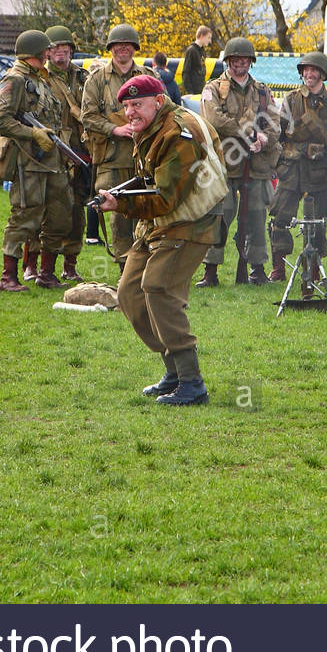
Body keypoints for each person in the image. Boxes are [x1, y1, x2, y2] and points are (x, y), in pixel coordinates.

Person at [97, 74, 228, 405]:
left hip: (191, 223)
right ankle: (173, 373)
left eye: (137, 105)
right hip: (161, 223)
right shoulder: (154, 126)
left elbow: (166, 198)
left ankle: (192, 383)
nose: (130, 113)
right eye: (126, 106)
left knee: (158, 289)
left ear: (158, 101)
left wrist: (120, 204)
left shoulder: (177, 134)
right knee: (129, 293)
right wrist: (120, 195)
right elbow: (150, 182)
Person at [0, 30, 72, 291]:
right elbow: (0, 120)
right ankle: (9, 276)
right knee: (25, 216)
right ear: (36, 53)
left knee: (60, 214)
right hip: (28, 160)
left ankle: (46, 273)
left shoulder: (40, 79)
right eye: (47, 50)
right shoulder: (14, 80)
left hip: (51, 160)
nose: (50, 54)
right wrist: (33, 133)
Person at [199, 36, 281, 286]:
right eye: (235, 60)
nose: (240, 64)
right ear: (228, 62)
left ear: (251, 62)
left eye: (244, 60)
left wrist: (264, 139)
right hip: (224, 162)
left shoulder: (263, 92)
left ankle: (257, 269)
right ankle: (210, 271)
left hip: (255, 165)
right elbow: (214, 119)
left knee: (256, 217)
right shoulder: (213, 88)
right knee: (220, 215)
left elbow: (275, 123)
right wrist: (248, 133)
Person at [267, 51, 327, 283]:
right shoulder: (291, 99)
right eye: (305, 70)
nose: (309, 75)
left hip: (321, 169)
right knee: (280, 216)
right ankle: (279, 267)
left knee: (319, 221)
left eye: (313, 70)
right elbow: (279, 132)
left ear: (322, 73)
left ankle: (314, 269)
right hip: (292, 169)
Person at [82, 23, 141, 264]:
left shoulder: (148, 76)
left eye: (127, 45)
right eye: (118, 45)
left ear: (134, 48)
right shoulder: (97, 79)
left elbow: (164, 108)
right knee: (118, 218)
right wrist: (115, 129)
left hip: (143, 158)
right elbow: (88, 116)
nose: (123, 49)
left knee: (145, 213)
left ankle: (144, 272)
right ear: (111, 49)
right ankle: (124, 273)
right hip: (112, 159)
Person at [35, 25, 89, 283]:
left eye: (65, 48)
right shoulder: (40, 78)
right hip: (51, 151)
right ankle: (35, 264)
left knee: (77, 209)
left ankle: (70, 264)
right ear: (47, 52)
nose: (61, 53)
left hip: (80, 152)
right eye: (55, 48)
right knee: (45, 209)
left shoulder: (83, 77)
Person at [180, 25, 212, 96]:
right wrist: (190, 92)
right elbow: (185, 72)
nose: (209, 41)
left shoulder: (203, 51)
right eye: (208, 37)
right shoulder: (191, 50)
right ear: (201, 36)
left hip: (201, 89)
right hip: (193, 91)